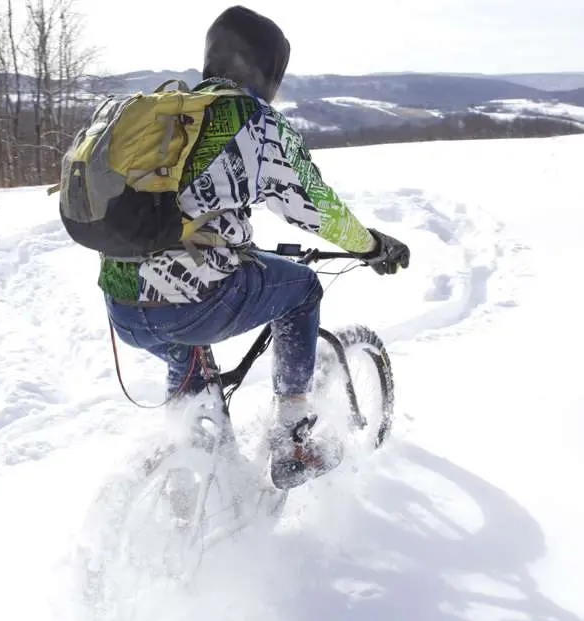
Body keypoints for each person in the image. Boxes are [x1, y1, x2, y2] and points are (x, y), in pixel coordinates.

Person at [102, 5, 410, 490]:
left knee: (190, 364)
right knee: (303, 289)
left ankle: (192, 475)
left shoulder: (167, 117)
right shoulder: (255, 121)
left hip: (123, 305)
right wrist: (372, 246)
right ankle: (293, 438)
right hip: (194, 303)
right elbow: (314, 207)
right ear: (266, 70)